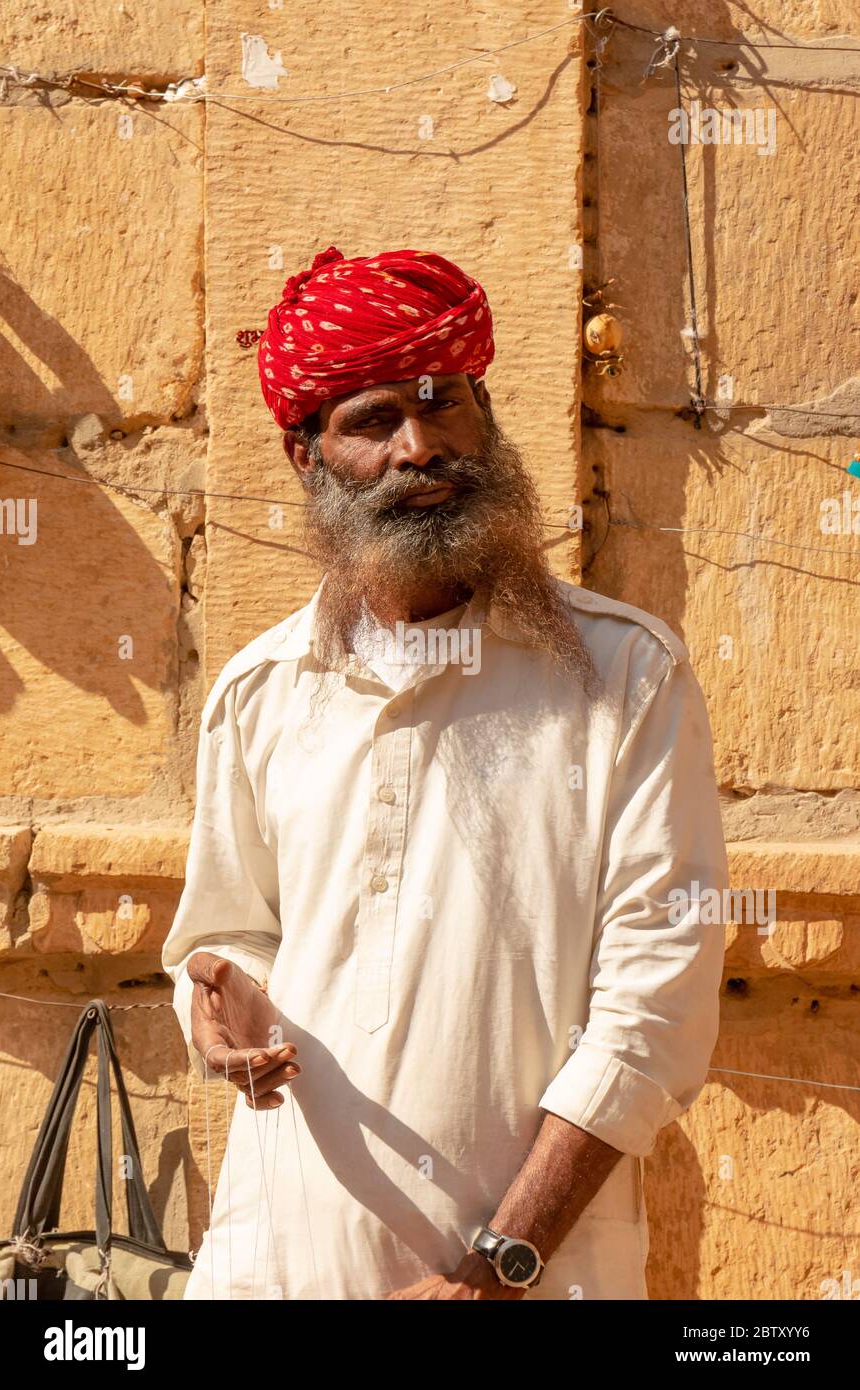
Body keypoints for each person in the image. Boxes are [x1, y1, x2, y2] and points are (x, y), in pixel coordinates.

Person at [161, 245, 728, 1300]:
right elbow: (223, 928)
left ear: (485, 414)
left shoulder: (623, 672)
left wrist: (495, 1265)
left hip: (535, 1277)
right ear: (307, 455)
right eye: (373, 421)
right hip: (283, 1262)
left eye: (443, 405)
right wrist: (213, 1000)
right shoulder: (261, 687)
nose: (420, 446)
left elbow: (655, 1002)